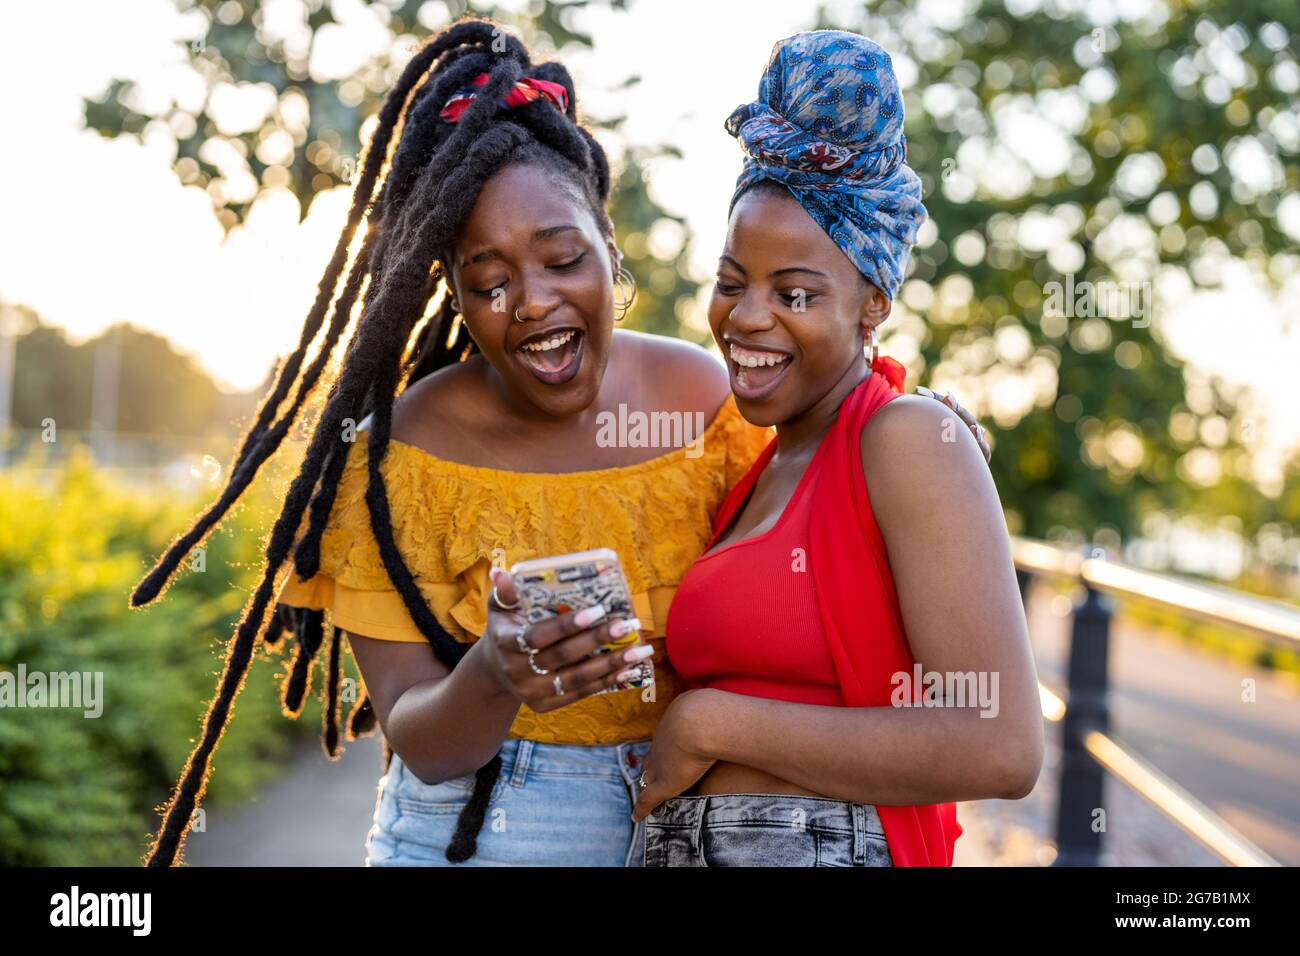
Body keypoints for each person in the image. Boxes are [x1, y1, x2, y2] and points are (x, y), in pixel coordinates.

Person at [131, 19, 988, 868]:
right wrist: (492, 675)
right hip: (479, 829)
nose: (532, 302)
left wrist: (937, 432)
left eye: (561, 258)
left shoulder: (713, 402)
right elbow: (418, 739)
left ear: (611, 255)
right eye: (490, 282)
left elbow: (836, 471)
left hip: (683, 828)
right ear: (456, 298)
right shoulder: (403, 456)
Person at [632, 30, 1044, 867]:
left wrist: (711, 721)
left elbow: (1001, 747)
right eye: (731, 280)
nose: (747, 317)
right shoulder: (761, 464)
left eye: (795, 293)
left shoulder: (904, 438)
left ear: (872, 303)